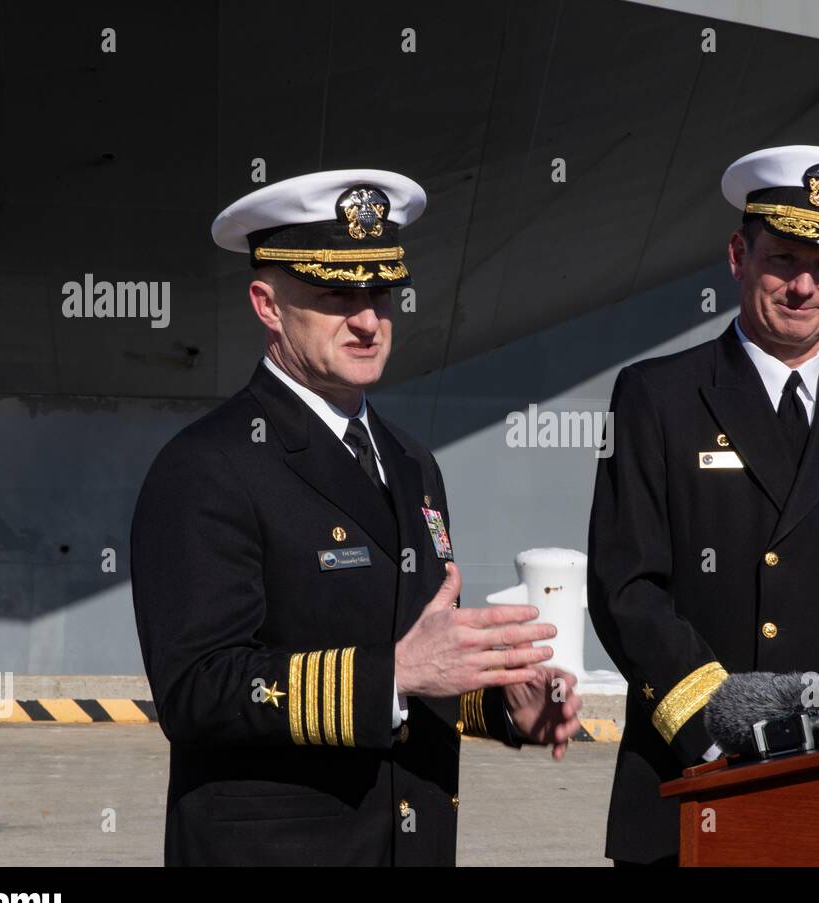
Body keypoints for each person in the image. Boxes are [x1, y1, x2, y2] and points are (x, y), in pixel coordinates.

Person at [131, 169, 583, 866]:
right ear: (267, 304)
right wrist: (395, 675)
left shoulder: (410, 461)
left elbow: (414, 660)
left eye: (380, 291)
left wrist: (503, 705)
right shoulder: (207, 466)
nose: (368, 319)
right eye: (335, 293)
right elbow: (196, 690)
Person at [586, 146, 819, 865]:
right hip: (695, 774)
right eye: (782, 259)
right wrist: (715, 727)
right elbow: (626, 586)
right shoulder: (659, 396)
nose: (802, 286)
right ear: (737, 254)